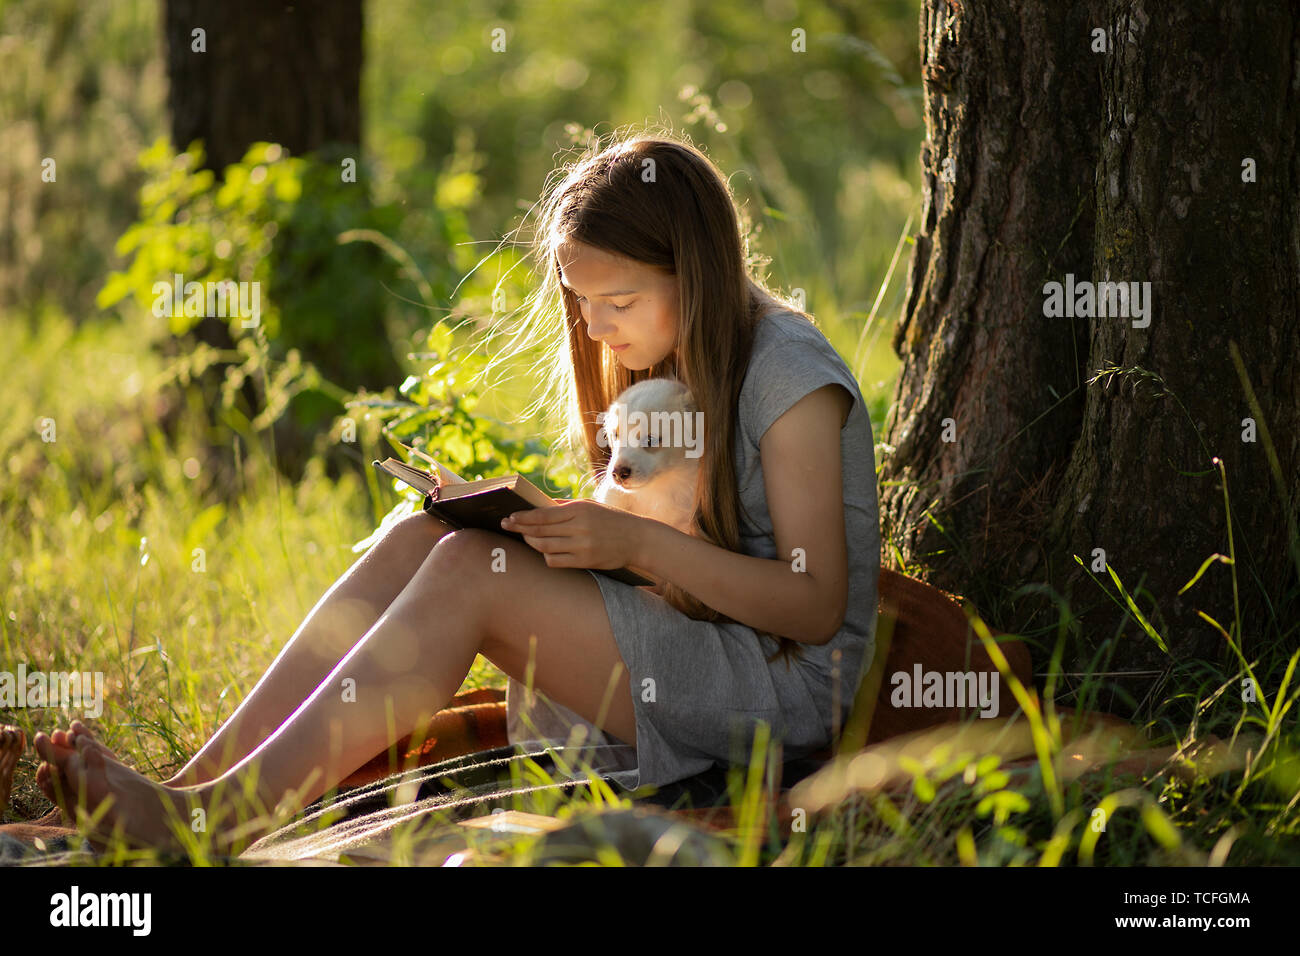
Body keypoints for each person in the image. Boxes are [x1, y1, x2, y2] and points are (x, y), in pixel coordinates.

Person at [33, 132, 881, 853]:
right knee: (423, 538)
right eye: (581, 303)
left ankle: (210, 825)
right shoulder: (679, 355)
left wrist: (633, 545)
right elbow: (670, 541)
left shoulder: (790, 379)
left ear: (693, 274)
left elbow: (813, 607)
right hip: (702, 635)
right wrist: (546, 521)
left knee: (475, 575)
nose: (595, 328)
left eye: (616, 300)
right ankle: (193, 784)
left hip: (782, 691)